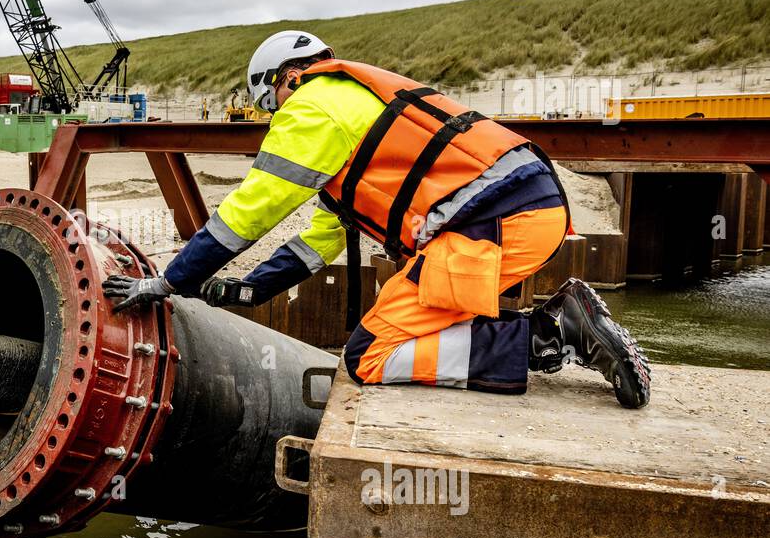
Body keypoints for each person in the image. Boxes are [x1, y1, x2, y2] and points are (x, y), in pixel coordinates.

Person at [102, 30, 650, 408]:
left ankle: (551, 334)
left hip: (493, 220)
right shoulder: (353, 108)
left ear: (288, 78)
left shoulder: (311, 105)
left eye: (272, 102)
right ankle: (557, 328)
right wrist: (245, 291)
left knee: (369, 355)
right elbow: (315, 245)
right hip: (519, 209)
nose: (275, 117)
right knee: (404, 330)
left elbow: (247, 214)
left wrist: (172, 279)